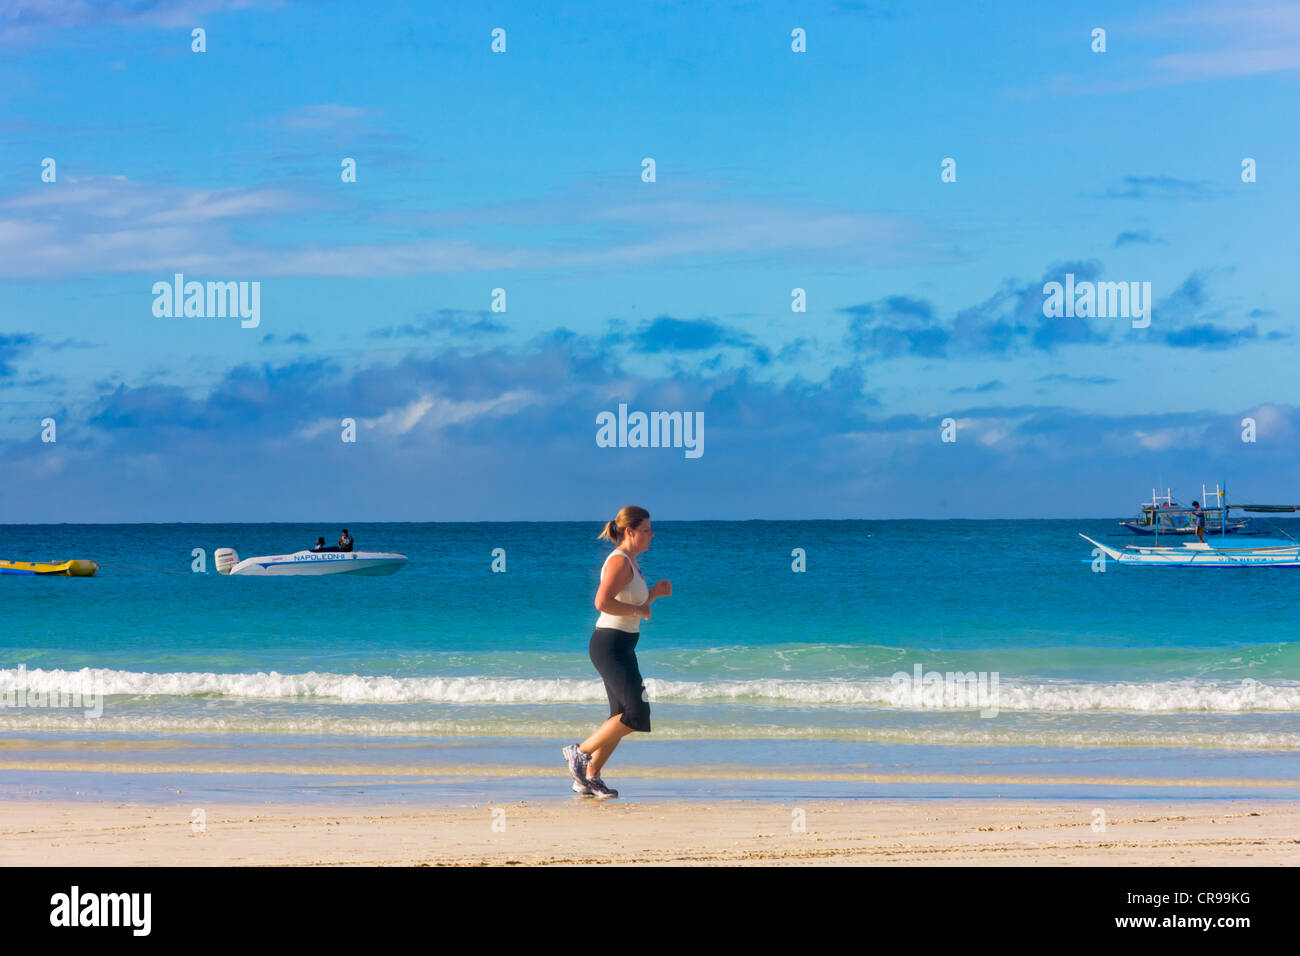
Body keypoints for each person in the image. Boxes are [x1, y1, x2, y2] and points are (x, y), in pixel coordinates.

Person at [561, 506, 671, 800]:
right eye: (647, 529)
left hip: (622, 644)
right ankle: (579, 752)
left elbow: (632, 605)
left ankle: (589, 777)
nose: (652, 534)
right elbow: (602, 602)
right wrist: (640, 607)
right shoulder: (619, 562)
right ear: (630, 532)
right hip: (609, 644)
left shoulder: (632, 564)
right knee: (636, 712)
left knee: (621, 716)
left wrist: (653, 595)